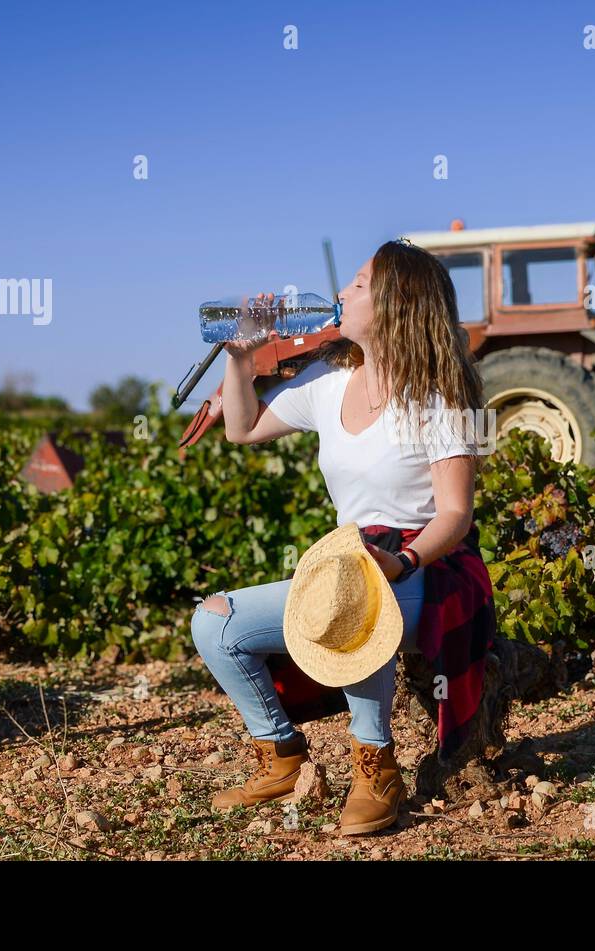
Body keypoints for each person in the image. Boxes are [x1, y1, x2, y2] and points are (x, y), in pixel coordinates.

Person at [190, 238, 495, 835]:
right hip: (348, 562)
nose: (341, 294)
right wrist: (238, 357)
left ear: (394, 306)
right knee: (216, 622)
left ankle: (375, 765)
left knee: (357, 599)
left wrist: (401, 562)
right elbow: (242, 428)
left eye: (358, 285)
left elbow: (455, 515)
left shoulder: (441, 398)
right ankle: (280, 754)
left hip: (430, 565)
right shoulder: (331, 381)